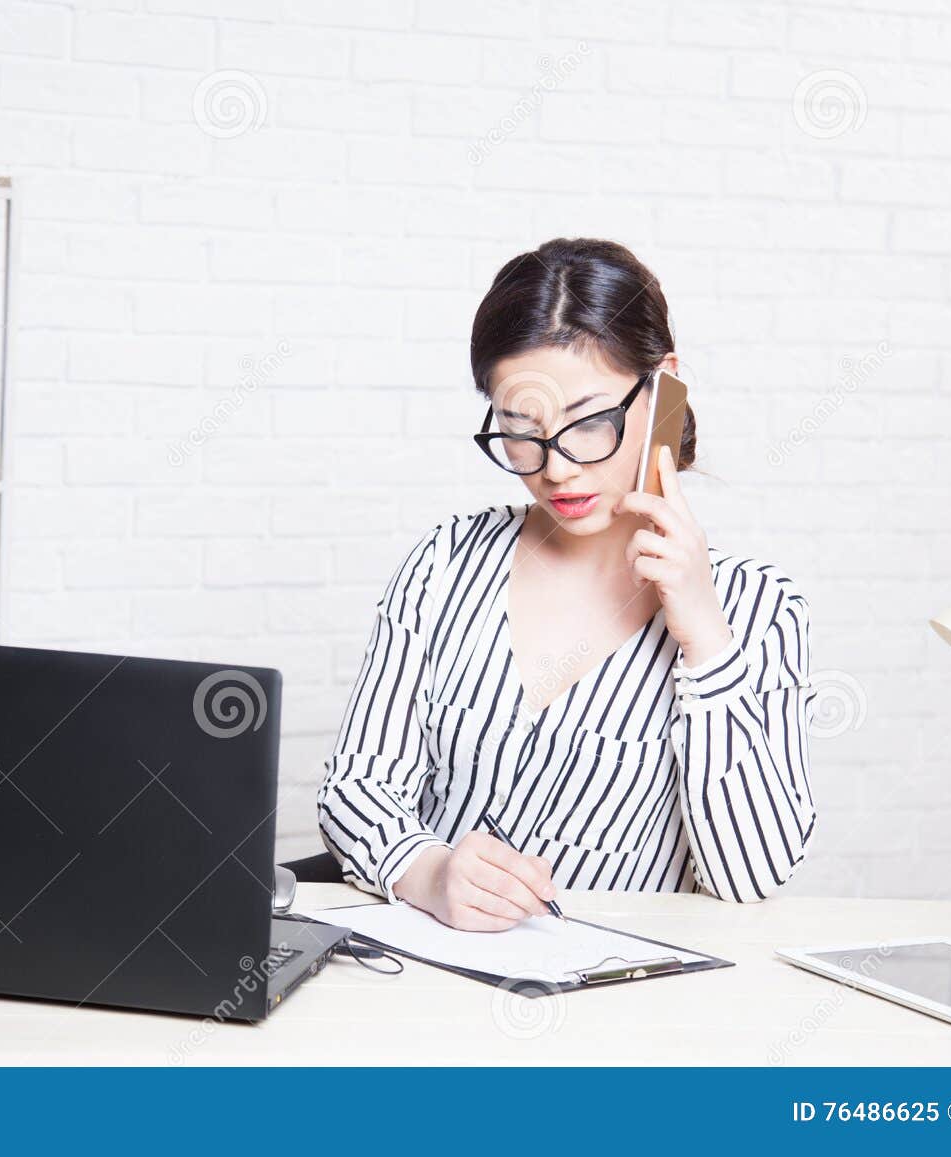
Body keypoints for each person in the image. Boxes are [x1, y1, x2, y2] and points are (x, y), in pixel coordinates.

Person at [315, 237, 818, 931]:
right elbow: (355, 785)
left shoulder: (758, 610)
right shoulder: (446, 563)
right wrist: (428, 871)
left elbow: (749, 877)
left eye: (590, 424)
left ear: (666, 386)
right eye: (521, 431)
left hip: (624, 1006)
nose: (557, 468)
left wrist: (704, 636)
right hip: (430, 988)